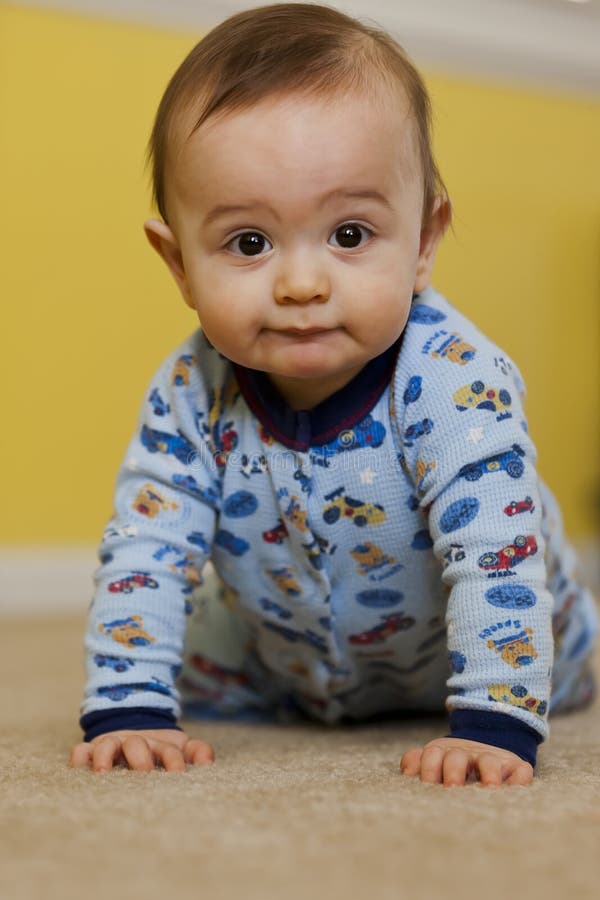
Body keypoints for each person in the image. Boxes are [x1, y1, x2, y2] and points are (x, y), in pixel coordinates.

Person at [70, 2, 597, 786]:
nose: (303, 283)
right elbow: (149, 548)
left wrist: (495, 720)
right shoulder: (193, 391)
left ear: (422, 244)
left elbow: (496, 550)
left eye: (349, 234)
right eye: (249, 243)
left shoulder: (454, 378)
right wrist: (129, 708)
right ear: (179, 263)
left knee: (521, 611)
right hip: (287, 657)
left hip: (481, 647)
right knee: (193, 643)